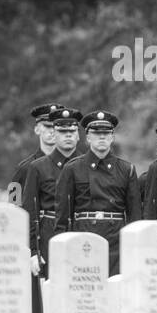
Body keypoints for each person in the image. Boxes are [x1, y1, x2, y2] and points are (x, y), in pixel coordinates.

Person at [55, 110, 141, 275]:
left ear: (112, 137)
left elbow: (134, 214)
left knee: (114, 288)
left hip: (115, 238)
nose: (101, 137)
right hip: (83, 234)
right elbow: (63, 213)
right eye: (96, 133)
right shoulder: (73, 168)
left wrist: (133, 248)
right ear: (88, 137)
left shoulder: (126, 169)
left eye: (106, 133)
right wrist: (62, 247)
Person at [19, 106, 82, 313]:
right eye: (49, 127)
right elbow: (21, 208)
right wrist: (29, 249)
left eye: (71, 131)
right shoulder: (30, 168)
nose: (66, 136)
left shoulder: (84, 164)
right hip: (47, 231)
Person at [9, 103, 63, 207]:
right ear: (37, 129)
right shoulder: (23, 168)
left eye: (56, 126)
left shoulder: (72, 166)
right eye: (47, 126)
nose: (52, 131)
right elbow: (13, 206)